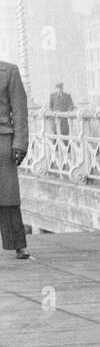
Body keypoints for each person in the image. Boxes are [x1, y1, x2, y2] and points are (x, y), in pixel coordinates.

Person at [0, 58, 30, 260]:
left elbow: (19, 110)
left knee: (8, 196)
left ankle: (17, 244)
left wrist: (20, 143)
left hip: (3, 141)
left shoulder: (9, 71)